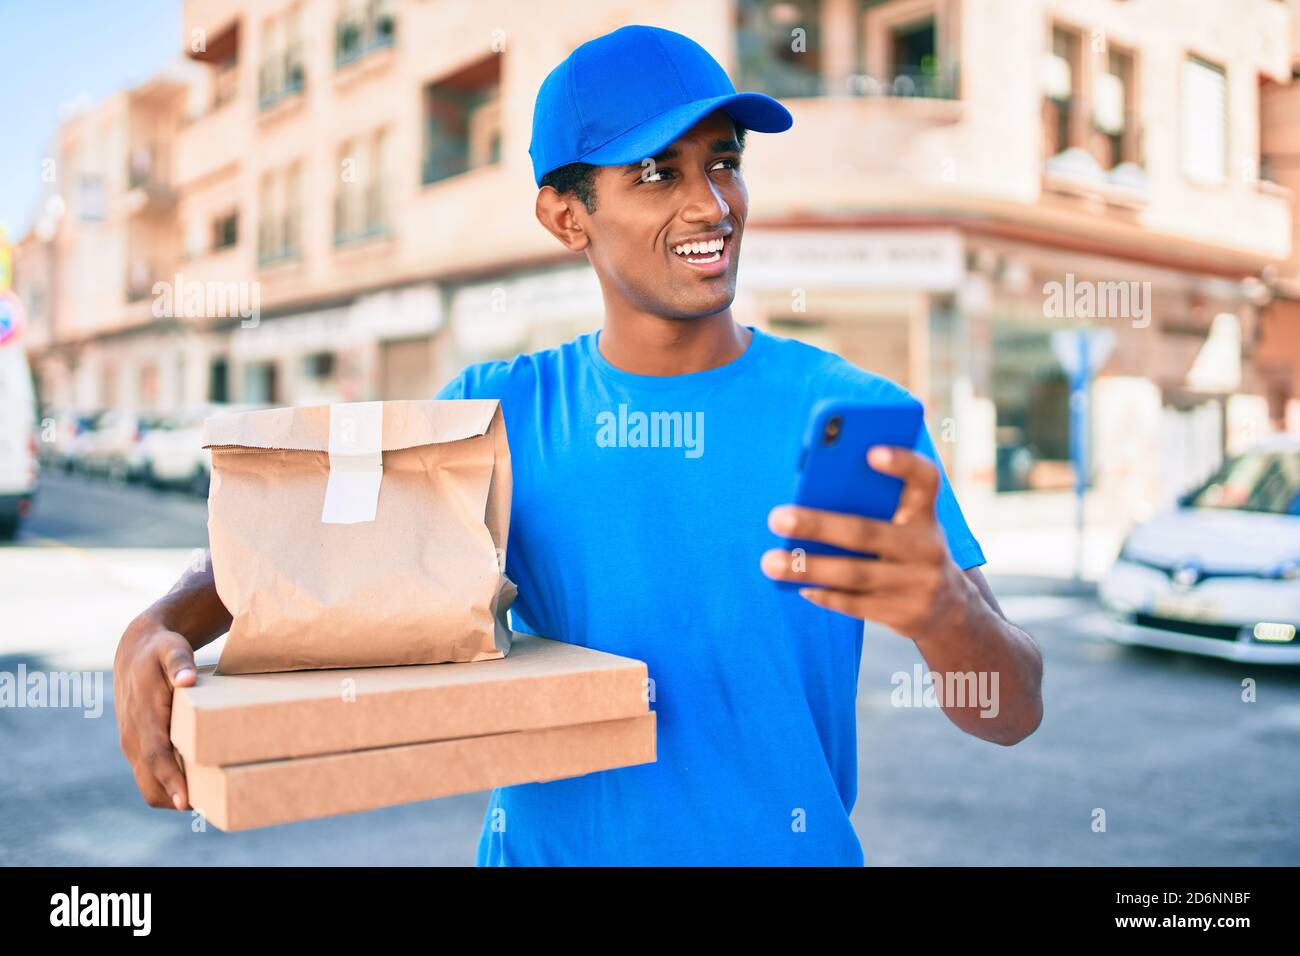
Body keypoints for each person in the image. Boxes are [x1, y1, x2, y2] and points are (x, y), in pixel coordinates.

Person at [115, 24, 1043, 866]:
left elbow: (1012, 712)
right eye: (656, 173)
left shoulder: (851, 413)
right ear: (567, 216)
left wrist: (942, 614)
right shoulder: (493, 413)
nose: (711, 203)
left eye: (724, 163)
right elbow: (316, 547)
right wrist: (161, 622)